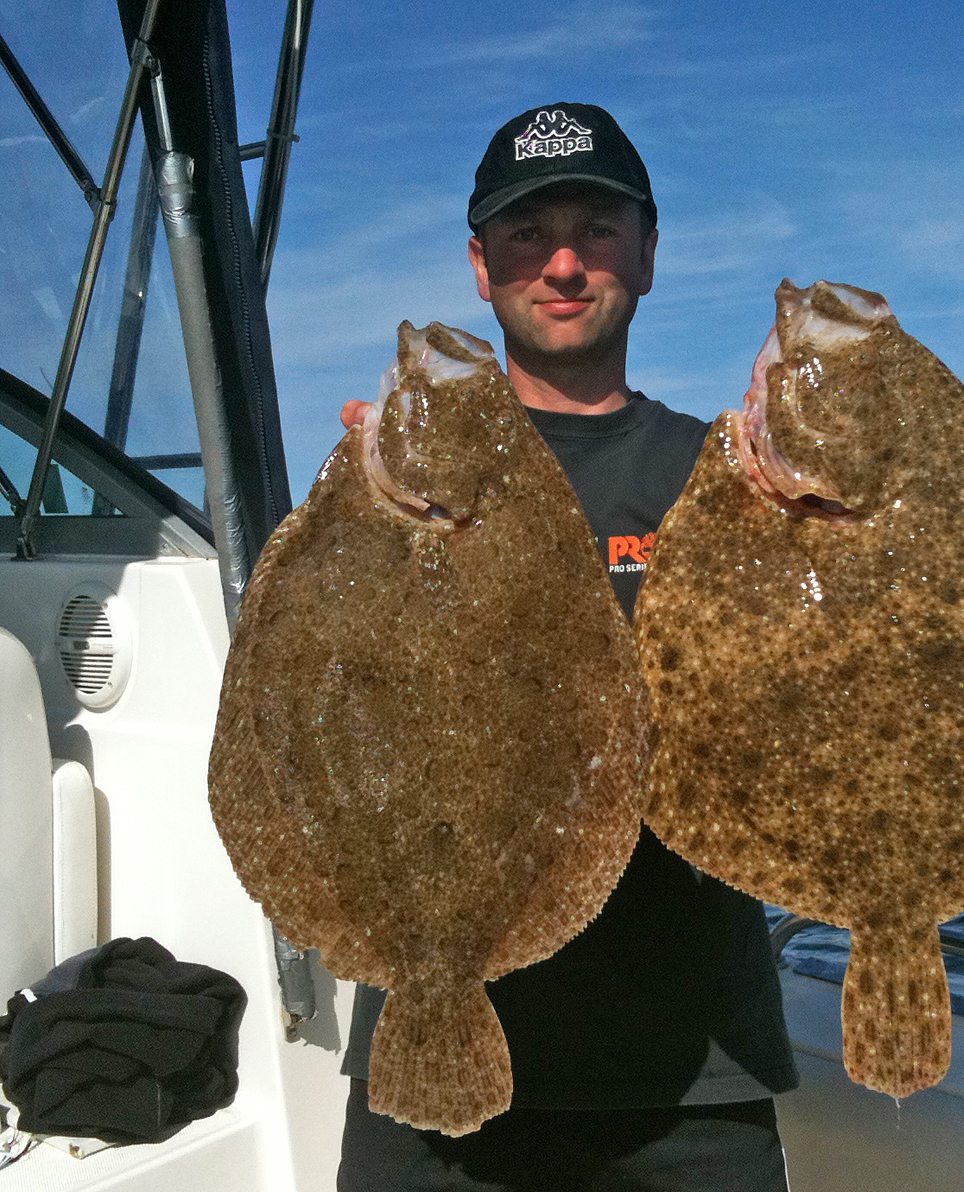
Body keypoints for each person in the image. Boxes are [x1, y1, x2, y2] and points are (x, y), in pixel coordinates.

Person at [335, 103, 797, 1192]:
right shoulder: (382, 479)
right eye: (523, 234)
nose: (560, 262)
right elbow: (323, 710)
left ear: (646, 249)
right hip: (432, 1041)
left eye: (595, 229)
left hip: (692, 1064)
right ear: (479, 263)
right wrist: (345, 527)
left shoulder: (726, 479)